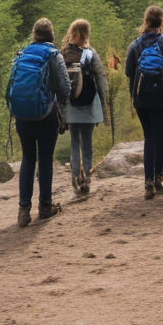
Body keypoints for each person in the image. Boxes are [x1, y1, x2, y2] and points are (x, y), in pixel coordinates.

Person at [9, 18, 71, 227]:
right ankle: (45, 207)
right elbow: (64, 89)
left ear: (34, 34)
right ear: (51, 35)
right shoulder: (54, 55)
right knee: (44, 159)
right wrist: (63, 112)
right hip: (46, 115)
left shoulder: (22, 54)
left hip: (22, 116)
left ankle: (23, 210)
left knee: (28, 158)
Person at [124, 5, 163, 200]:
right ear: (161, 22)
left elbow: (129, 74)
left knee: (149, 137)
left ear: (146, 22)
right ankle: (158, 177)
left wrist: (133, 100)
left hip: (142, 100)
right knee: (159, 136)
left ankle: (148, 182)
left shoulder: (135, 46)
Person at [61, 18, 110, 195]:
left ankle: (75, 177)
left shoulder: (63, 53)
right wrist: (105, 104)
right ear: (87, 34)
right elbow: (101, 79)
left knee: (75, 140)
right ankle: (87, 178)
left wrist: (61, 107)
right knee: (87, 141)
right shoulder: (91, 54)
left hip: (71, 104)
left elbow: (59, 82)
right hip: (89, 104)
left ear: (71, 33)